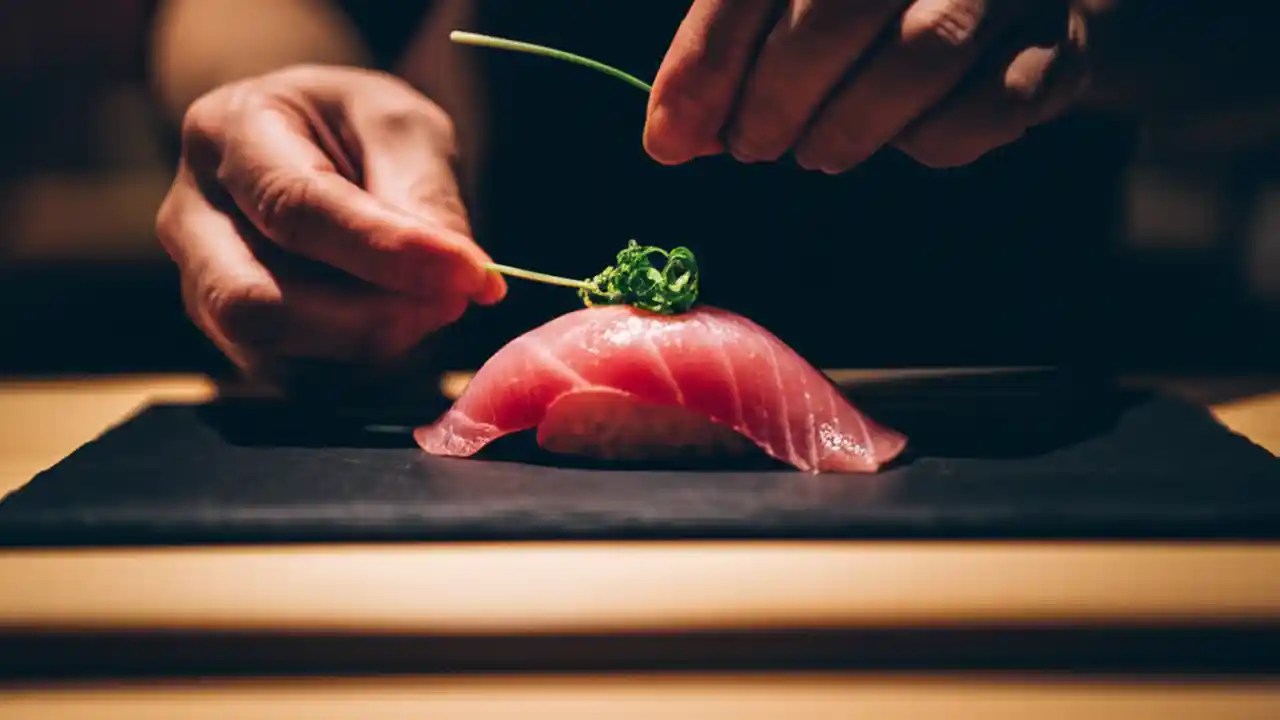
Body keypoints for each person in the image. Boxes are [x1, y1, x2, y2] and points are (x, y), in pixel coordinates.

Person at [150, 1, 1277, 395]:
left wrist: (1087, 25)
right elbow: (244, 9)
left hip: (1030, 402)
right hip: (517, 428)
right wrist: (265, 114)